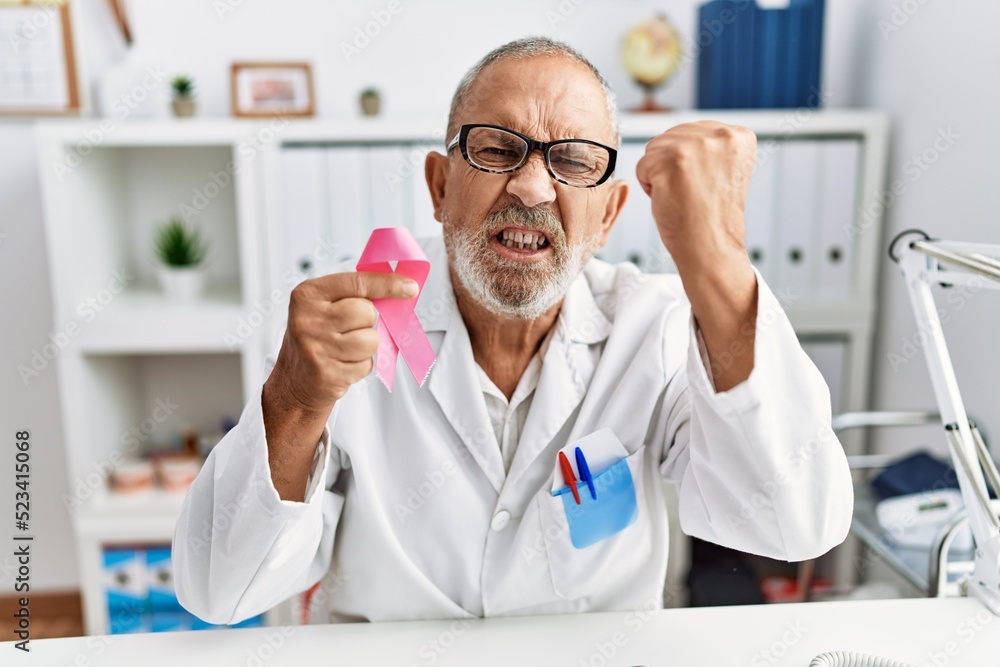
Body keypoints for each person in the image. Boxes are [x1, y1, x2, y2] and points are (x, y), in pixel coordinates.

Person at [173, 37, 852, 624]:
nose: (532, 187)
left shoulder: (656, 329)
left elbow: (793, 521)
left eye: (575, 160)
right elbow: (218, 589)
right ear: (439, 188)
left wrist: (720, 261)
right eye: (498, 149)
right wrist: (293, 398)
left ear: (611, 213)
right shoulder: (352, 325)